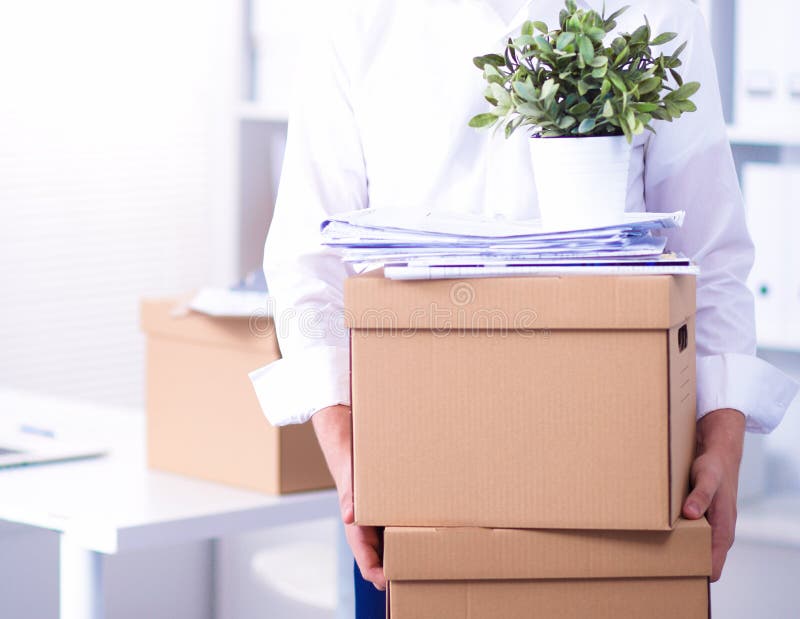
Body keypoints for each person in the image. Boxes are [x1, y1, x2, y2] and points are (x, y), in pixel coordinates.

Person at [249, 1, 799, 616]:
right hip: (414, 481)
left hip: (623, 479)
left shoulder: (654, 10)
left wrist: (722, 437)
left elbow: (710, 247)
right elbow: (306, 255)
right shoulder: (358, 17)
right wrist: (349, 459)